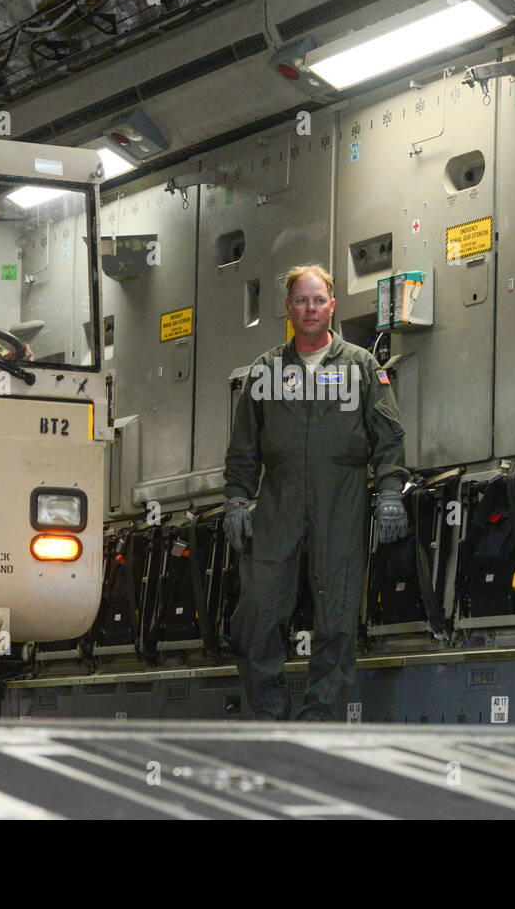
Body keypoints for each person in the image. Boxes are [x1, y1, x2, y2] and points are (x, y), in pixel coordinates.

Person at [223, 264, 409, 721]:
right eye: (301, 300)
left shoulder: (362, 367)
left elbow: (388, 438)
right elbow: (244, 447)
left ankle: (320, 716)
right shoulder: (265, 372)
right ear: (287, 307)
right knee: (257, 613)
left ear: (332, 306)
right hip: (278, 503)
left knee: (339, 616)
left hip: (340, 501)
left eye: (318, 300)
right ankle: (269, 713)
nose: (310, 308)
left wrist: (389, 492)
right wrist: (236, 498)